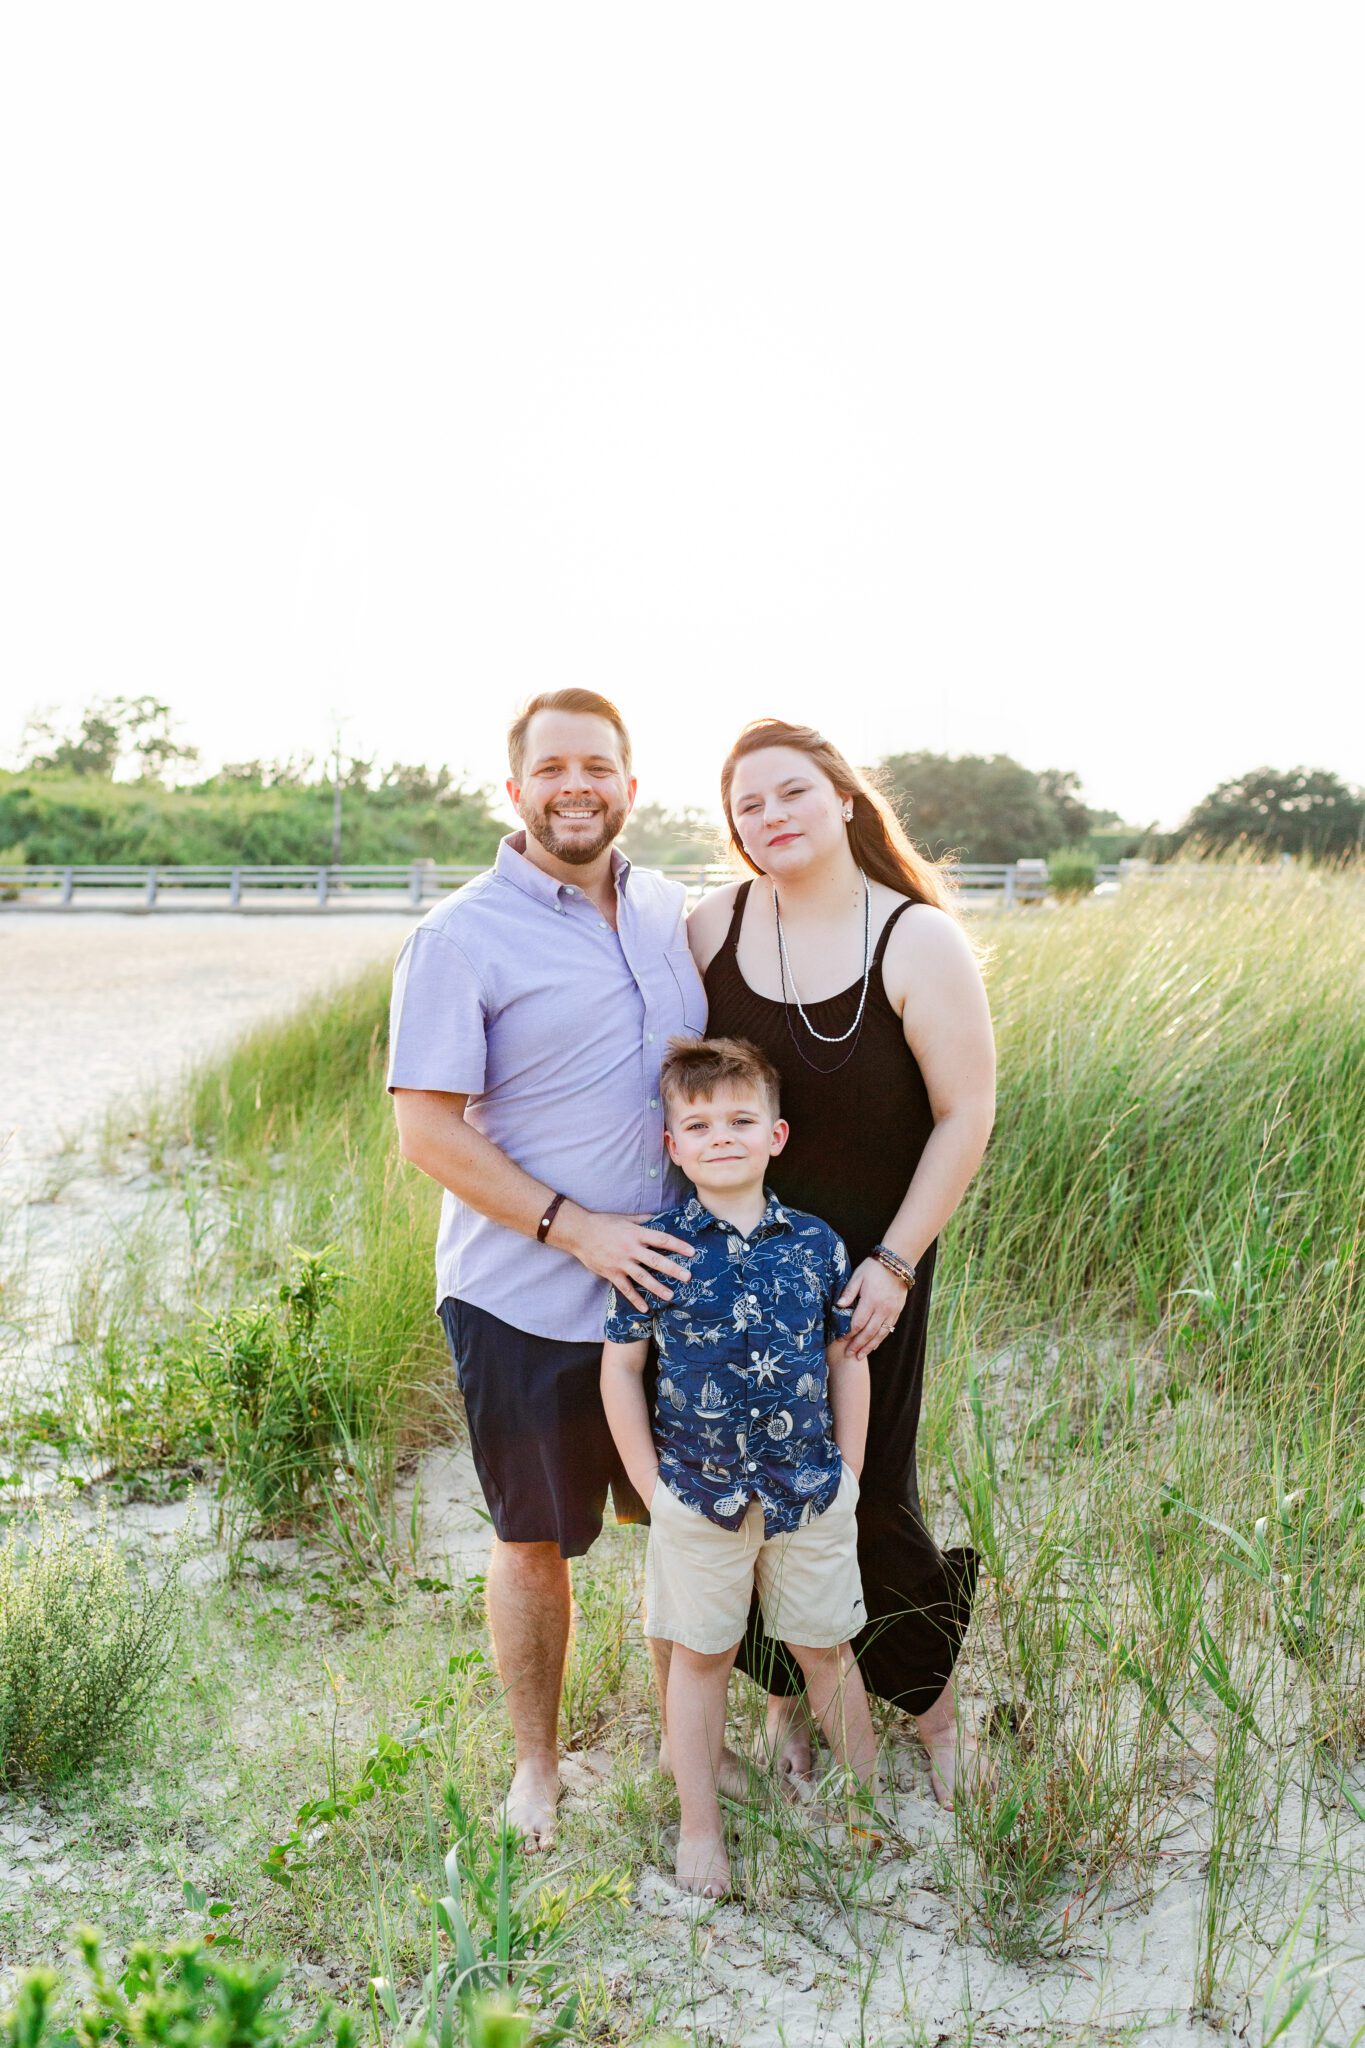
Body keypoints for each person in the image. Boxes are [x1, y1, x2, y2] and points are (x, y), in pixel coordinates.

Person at [387, 688, 706, 1851]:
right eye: (554, 767)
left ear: (632, 785)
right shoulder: (459, 935)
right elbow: (427, 1128)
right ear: (514, 788)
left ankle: (689, 1753)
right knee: (535, 1536)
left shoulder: (673, 911)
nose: (579, 785)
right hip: (522, 1291)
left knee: (690, 1529)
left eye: (600, 767)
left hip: (674, 1291)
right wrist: (578, 1227)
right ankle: (537, 1765)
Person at [687, 719, 996, 1808]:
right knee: (751, 1490)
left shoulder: (915, 939)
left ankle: (935, 1710)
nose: (769, 817)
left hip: (872, 1268)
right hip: (736, 1270)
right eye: (747, 805)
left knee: (863, 1494)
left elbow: (966, 1113)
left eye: (791, 793)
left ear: (847, 798)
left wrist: (898, 1262)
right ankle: (789, 1699)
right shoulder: (712, 924)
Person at [601, 1035, 877, 1898]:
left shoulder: (816, 1244)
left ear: (776, 1136)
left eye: (740, 1119)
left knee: (825, 1647)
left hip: (809, 1491)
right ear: (672, 1146)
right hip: (698, 1496)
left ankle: (866, 1805)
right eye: (699, 1123)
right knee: (701, 1658)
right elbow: (621, 1369)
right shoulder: (654, 1252)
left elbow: (846, 1360)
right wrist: (653, 1491)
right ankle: (699, 1831)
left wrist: (851, 1477)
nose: (721, 1135)